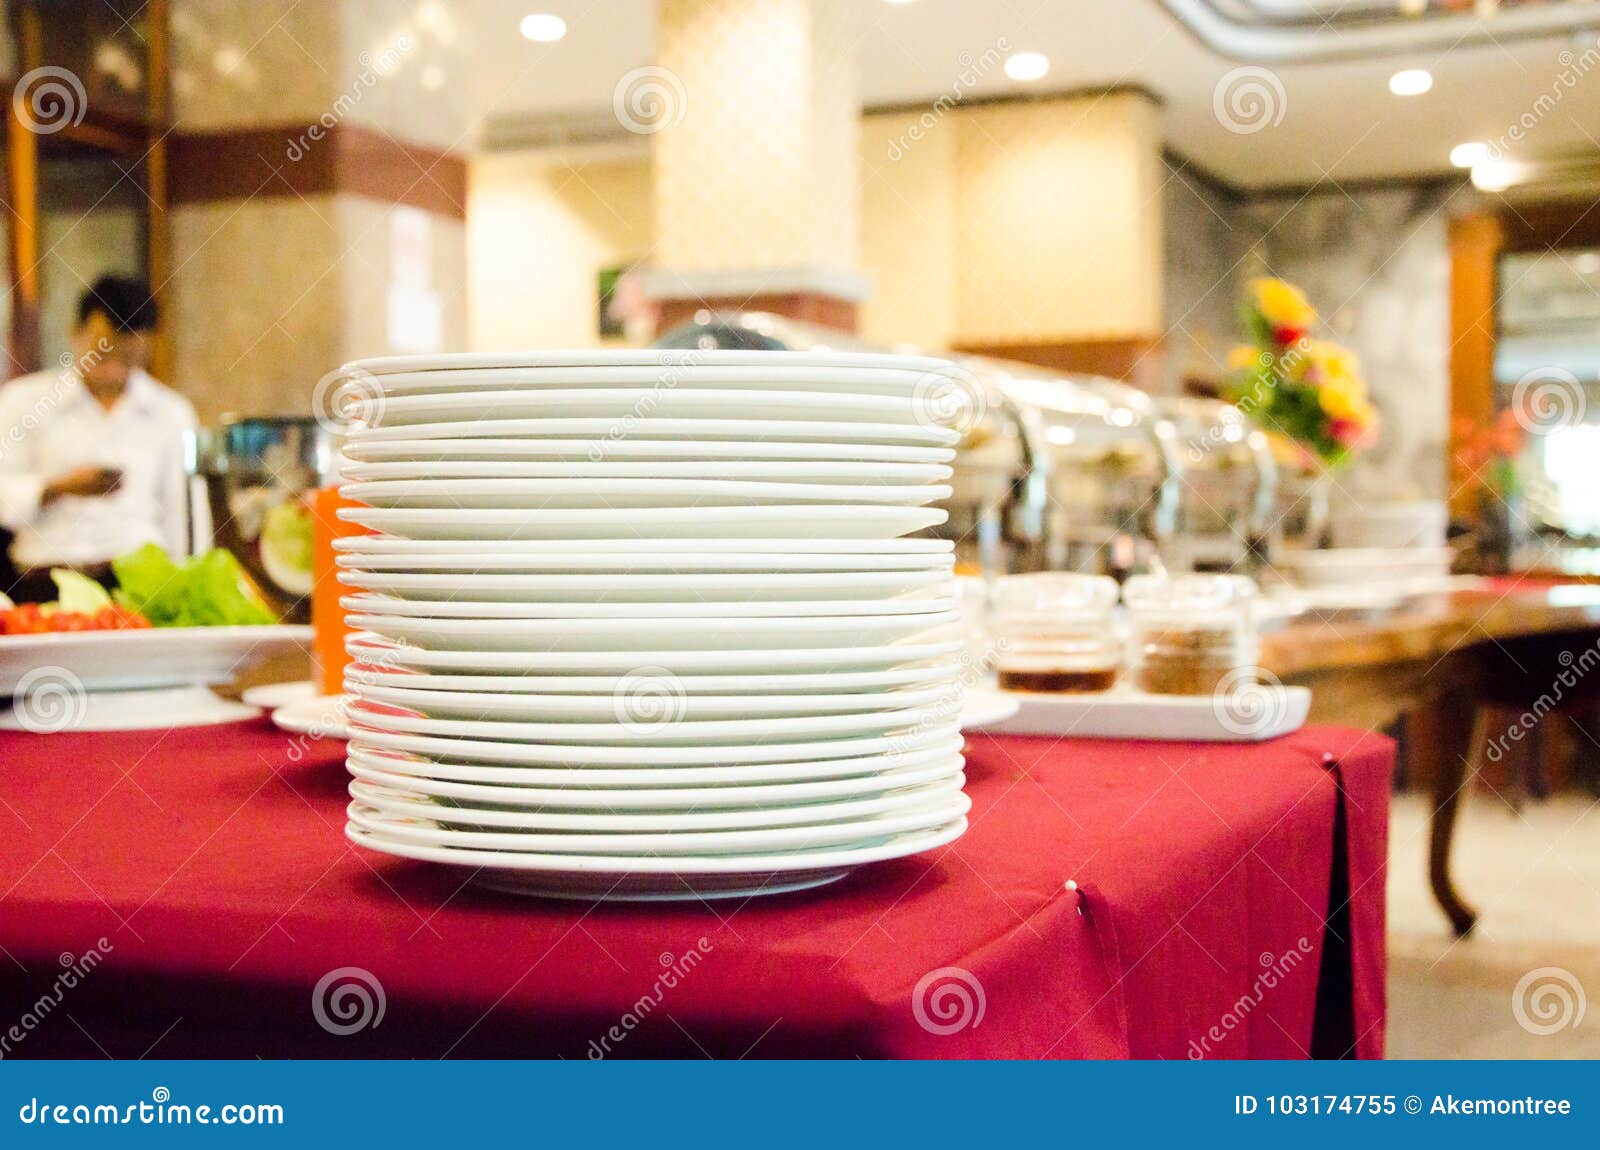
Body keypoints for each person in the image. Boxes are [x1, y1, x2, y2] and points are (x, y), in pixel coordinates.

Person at [0, 276, 208, 600]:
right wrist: (57, 488)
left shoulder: (172, 413)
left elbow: (185, 515)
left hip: (139, 585)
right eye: (102, 353)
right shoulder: (23, 401)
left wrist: (187, 589)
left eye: (127, 357)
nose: (113, 369)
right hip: (41, 582)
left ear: (148, 347)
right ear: (76, 332)